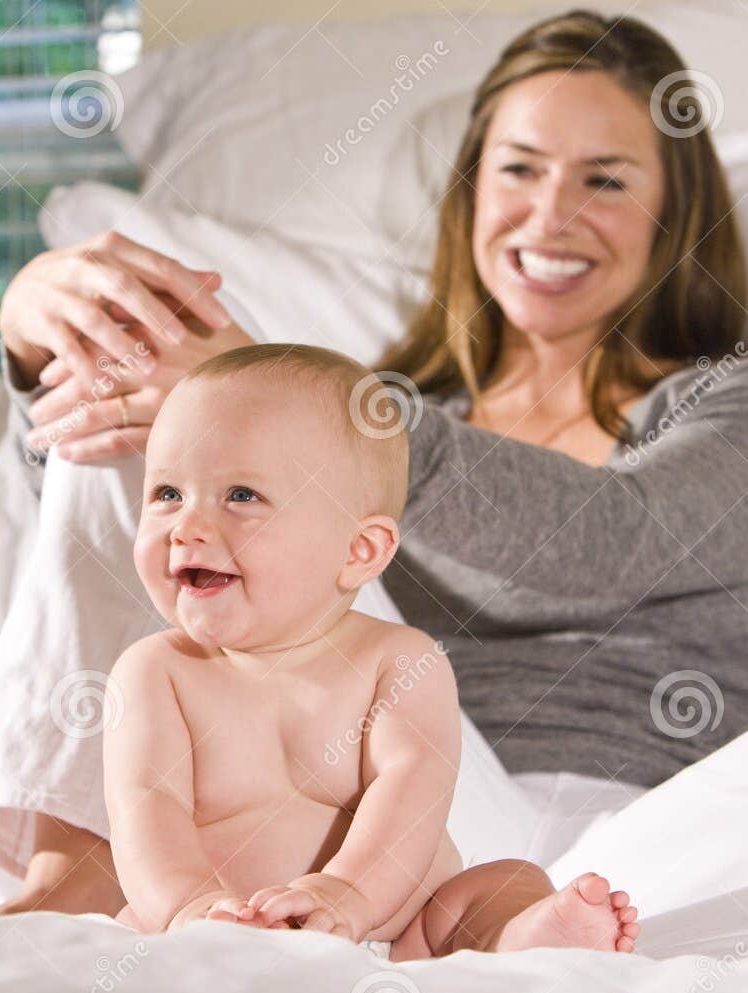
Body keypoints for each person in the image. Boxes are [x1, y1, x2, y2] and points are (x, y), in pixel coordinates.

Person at [0, 9, 748, 923]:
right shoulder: (359, 419)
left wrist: (342, 415)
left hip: (663, 830)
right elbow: (119, 536)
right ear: (471, 198)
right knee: (182, 429)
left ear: (672, 214)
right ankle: (86, 863)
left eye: (604, 179)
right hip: (403, 820)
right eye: (519, 169)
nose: (552, 215)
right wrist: (42, 332)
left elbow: (612, 541)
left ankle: (537, 922)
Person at [105, 343, 640, 958]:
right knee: (126, 925)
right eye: (167, 493)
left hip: (396, 929)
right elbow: (147, 813)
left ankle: (522, 937)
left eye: (241, 496)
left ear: (358, 551)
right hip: (222, 927)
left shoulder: (398, 662)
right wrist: (187, 909)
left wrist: (347, 894)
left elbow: (411, 787)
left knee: (508, 881)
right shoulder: (156, 673)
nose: (186, 527)